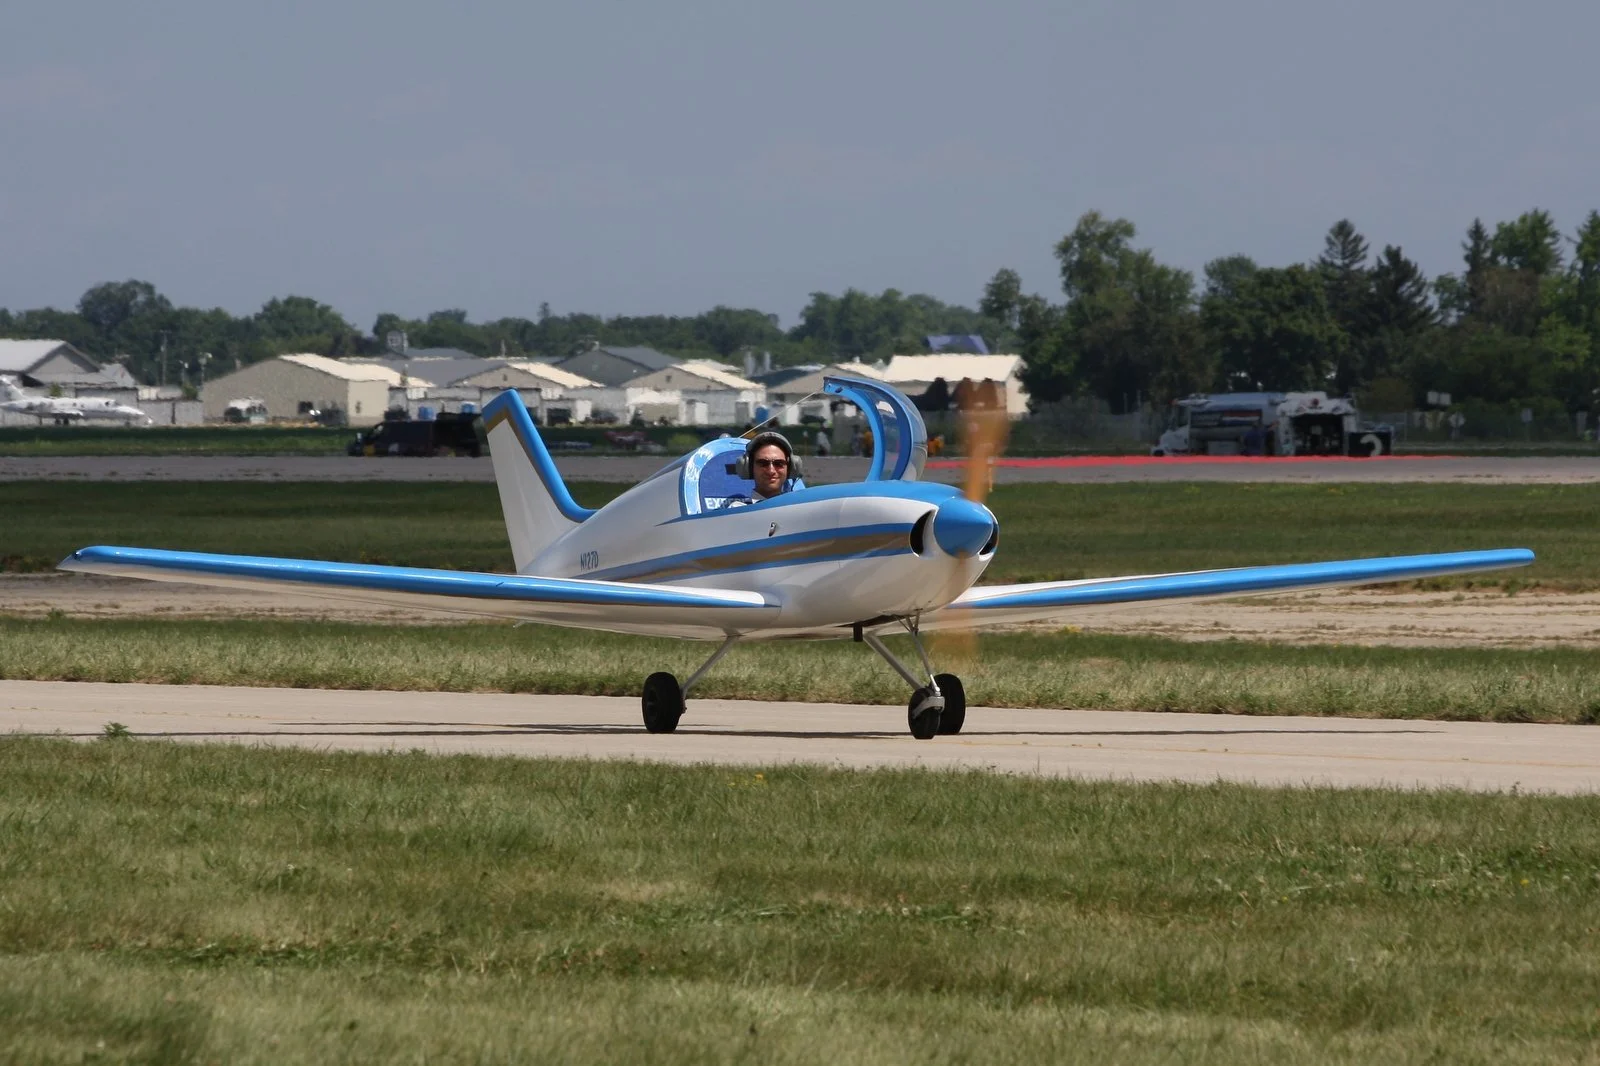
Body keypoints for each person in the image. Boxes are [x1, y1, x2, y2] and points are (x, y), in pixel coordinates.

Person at [727, 431, 798, 506]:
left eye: (779, 464)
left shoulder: (799, 508)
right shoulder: (737, 510)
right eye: (763, 463)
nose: (771, 471)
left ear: (789, 468)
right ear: (750, 467)